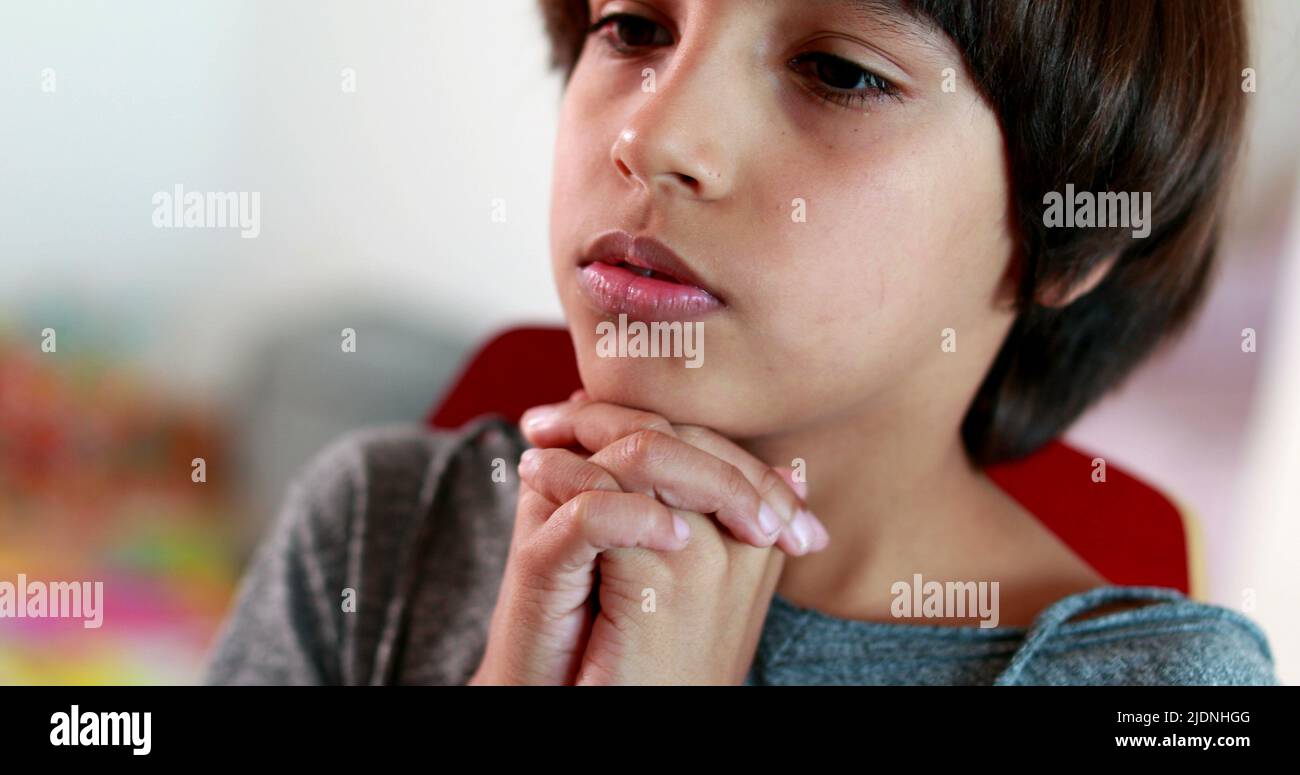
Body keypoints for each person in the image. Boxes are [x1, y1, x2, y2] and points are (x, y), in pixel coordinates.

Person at [205, 0, 1277, 685]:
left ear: (1066, 239)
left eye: (841, 71)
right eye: (633, 28)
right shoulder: (374, 531)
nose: (653, 137)